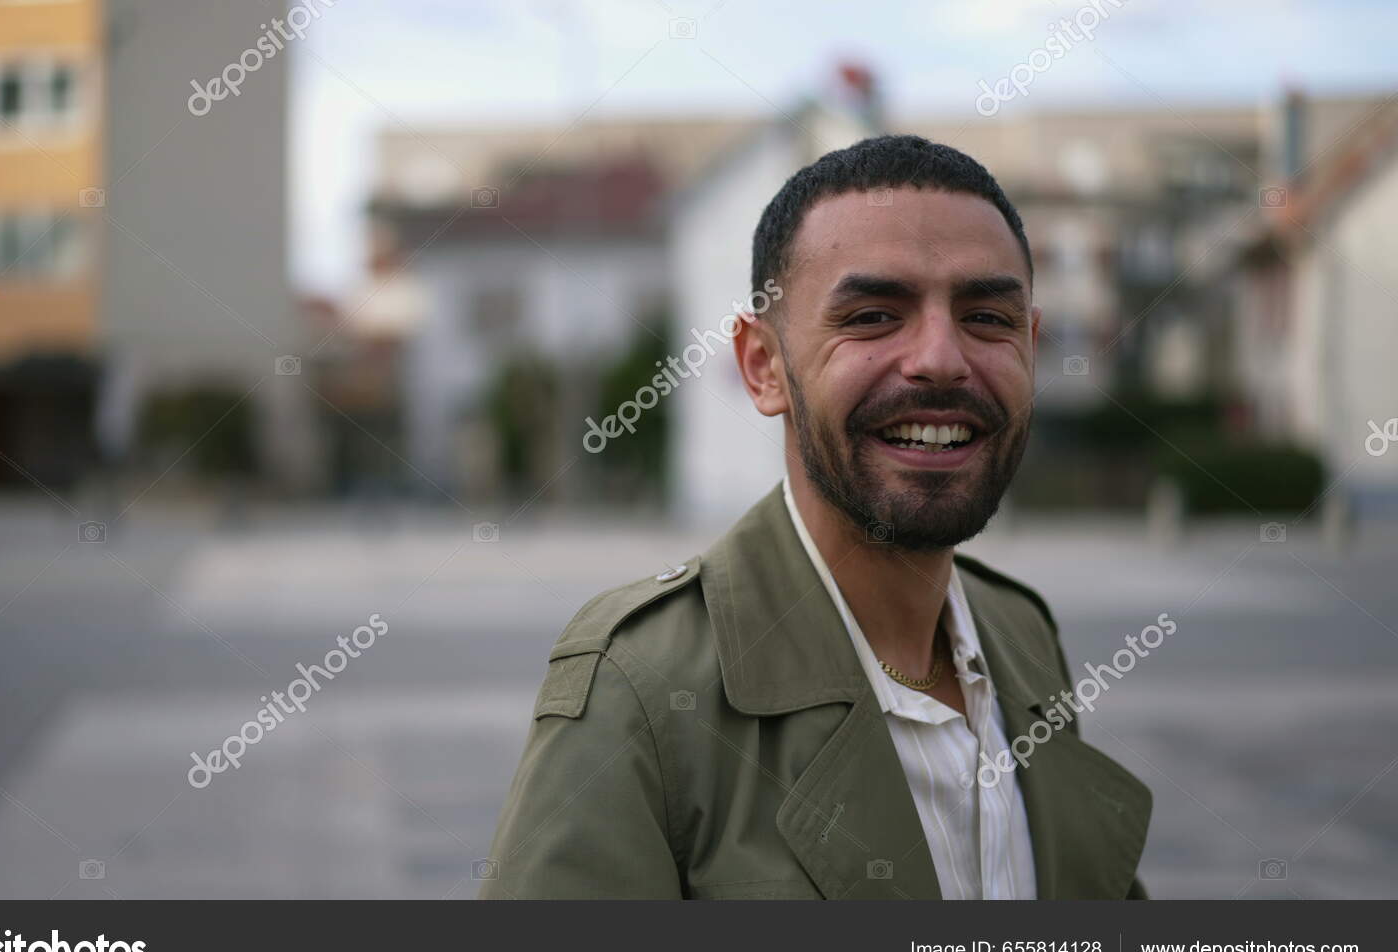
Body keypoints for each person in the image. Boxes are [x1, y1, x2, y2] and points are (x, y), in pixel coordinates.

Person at [480, 134, 1151, 899]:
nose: (940, 358)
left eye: (987, 317)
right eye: (872, 316)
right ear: (764, 367)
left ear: (1031, 350)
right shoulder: (636, 686)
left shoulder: (1023, 636)